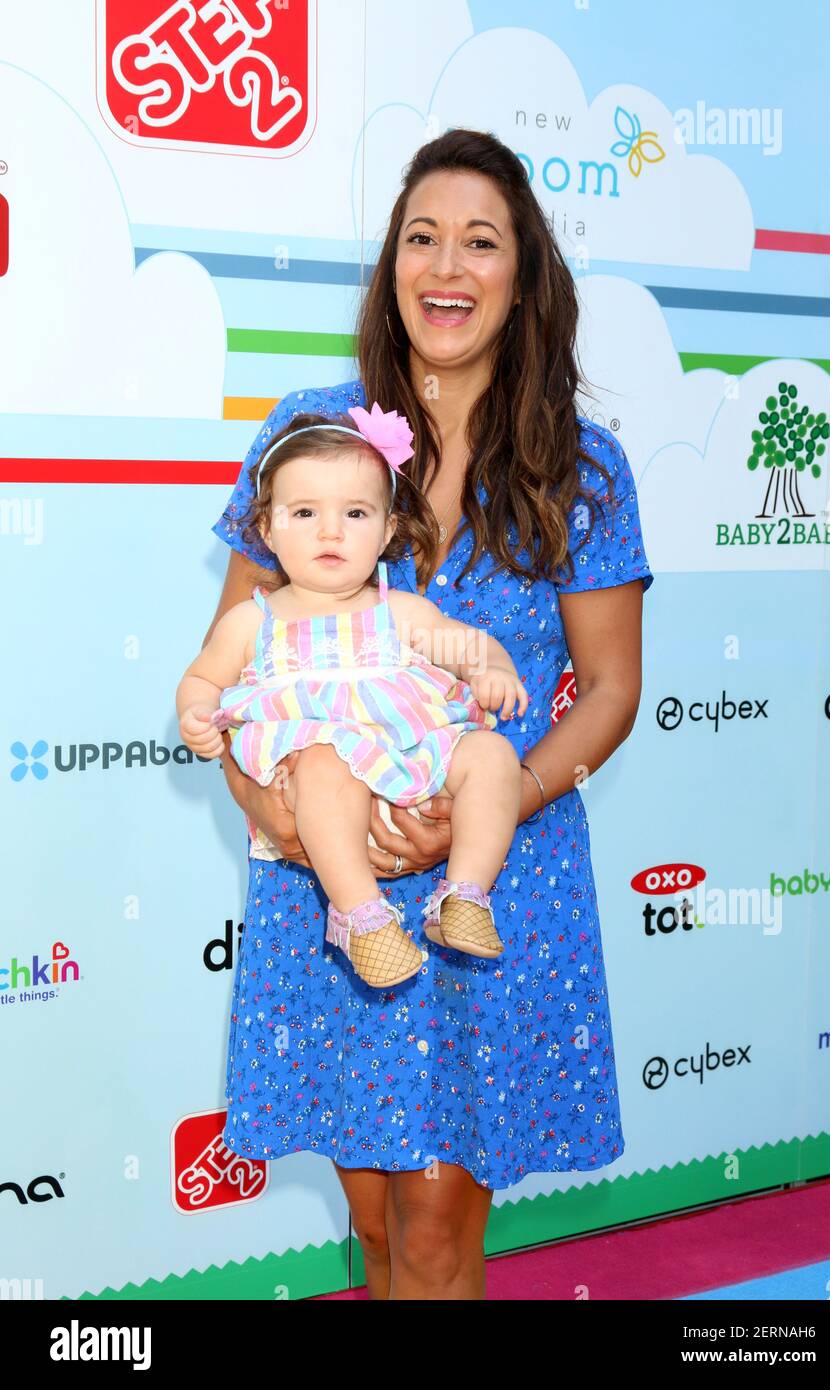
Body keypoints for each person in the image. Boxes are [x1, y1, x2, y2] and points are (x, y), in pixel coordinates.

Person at [204, 127, 653, 1301]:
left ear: (524, 275)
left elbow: (608, 687)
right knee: (372, 1228)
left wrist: (473, 817)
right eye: (421, 237)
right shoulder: (310, 431)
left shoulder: (579, 466)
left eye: (479, 240)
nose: (445, 266)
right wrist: (276, 809)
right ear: (390, 263)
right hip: (332, 884)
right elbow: (238, 660)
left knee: (442, 1230)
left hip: (495, 879)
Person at [177, 403, 528, 990]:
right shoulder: (252, 622)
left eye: (356, 512)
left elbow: (471, 646)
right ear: (267, 529)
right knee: (322, 760)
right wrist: (195, 714)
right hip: (323, 794)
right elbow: (203, 678)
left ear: (389, 530)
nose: (331, 531)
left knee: (492, 756)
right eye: (306, 512)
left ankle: (464, 894)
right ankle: (361, 916)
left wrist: (492, 670)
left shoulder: (401, 612)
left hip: (411, 770)